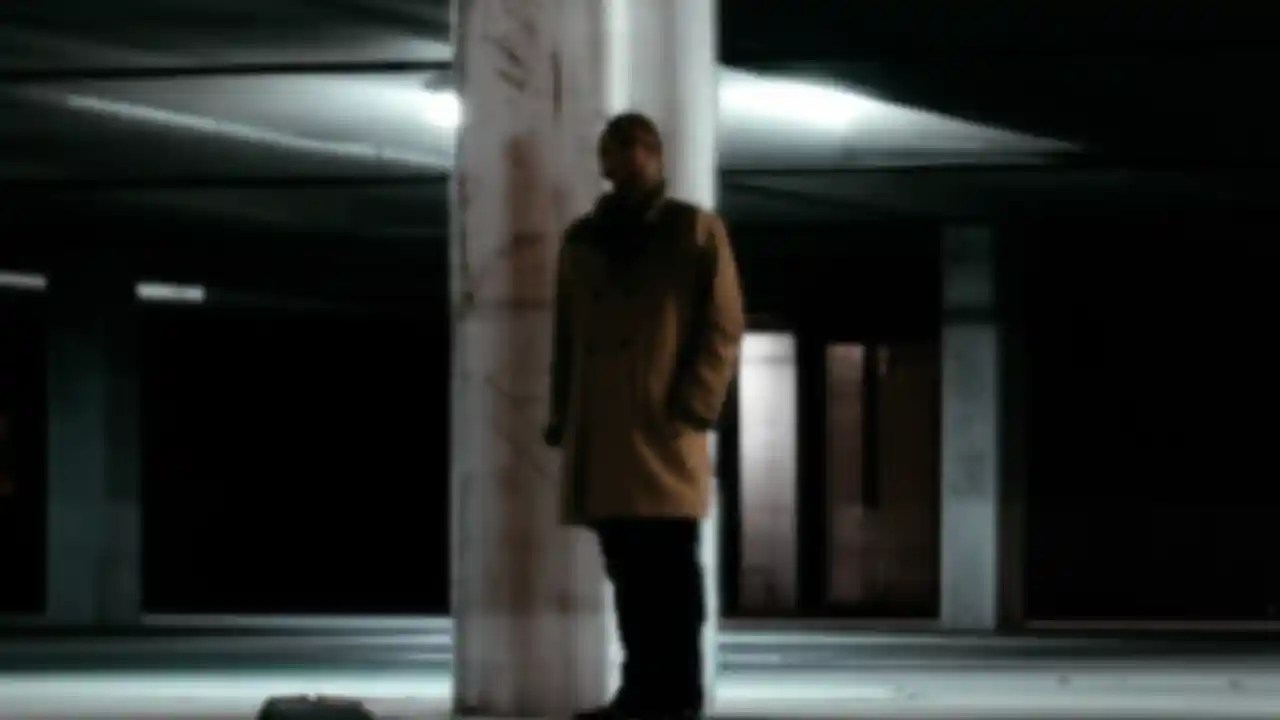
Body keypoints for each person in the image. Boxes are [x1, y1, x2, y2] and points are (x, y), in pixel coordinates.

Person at [544, 113, 745, 720]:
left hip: (662, 430)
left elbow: (723, 324)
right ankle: (640, 692)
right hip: (604, 429)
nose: (627, 158)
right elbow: (566, 336)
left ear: (658, 157)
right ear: (602, 163)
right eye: (615, 148)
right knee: (628, 571)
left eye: (637, 147)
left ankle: (677, 696)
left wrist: (692, 406)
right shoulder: (582, 239)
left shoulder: (692, 230)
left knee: (671, 574)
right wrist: (563, 416)